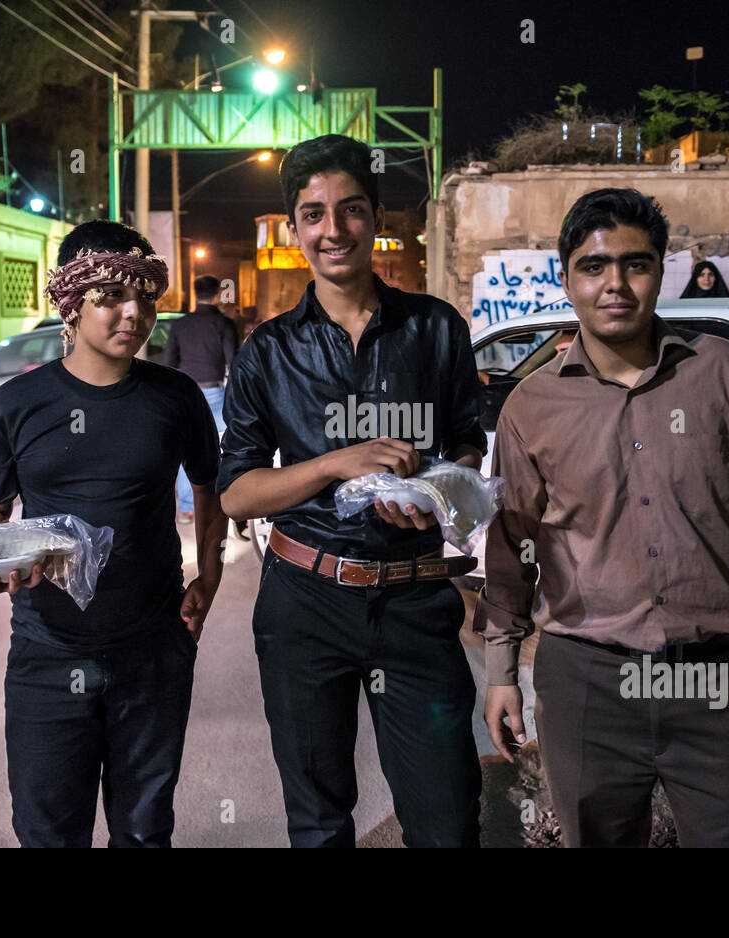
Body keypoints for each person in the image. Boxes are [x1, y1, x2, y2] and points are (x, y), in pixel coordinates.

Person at [477, 188, 729, 847]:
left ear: (660, 270)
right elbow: (511, 548)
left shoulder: (722, 375)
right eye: (593, 266)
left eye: (635, 264)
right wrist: (501, 672)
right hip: (586, 683)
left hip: (717, 681)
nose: (615, 283)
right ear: (567, 278)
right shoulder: (531, 407)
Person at [218, 133, 487, 848]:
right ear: (294, 228)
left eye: (350, 210)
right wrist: (334, 464)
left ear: (376, 217)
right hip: (304, 603)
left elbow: (467, 441)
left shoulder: (434, 329)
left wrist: (434, 488)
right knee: (317, 819)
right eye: (313, 214)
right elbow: (237, 494)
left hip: (415, 599)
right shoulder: (267, 351)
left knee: (448, 817)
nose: (332, 230)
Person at [0, 219, 227, 847]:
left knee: (144, 831)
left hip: (153, 651)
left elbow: (210, 489)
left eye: (143, 296)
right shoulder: (15, 405)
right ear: (71, 303)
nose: (132, 313)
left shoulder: (176, 397)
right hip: (46, 653)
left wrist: (210, 574)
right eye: (110, 297)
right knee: (48, 831)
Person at [163, 275, 239, 522]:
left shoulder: (180, 325)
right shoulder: (223, 324)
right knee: (221, 447)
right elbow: (234, 362)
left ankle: (187, 506)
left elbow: (169, 363)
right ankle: (220, 499)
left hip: (185, 393)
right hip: (214, 392)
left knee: (188, 447)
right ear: (217, 295)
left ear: (195, 294)